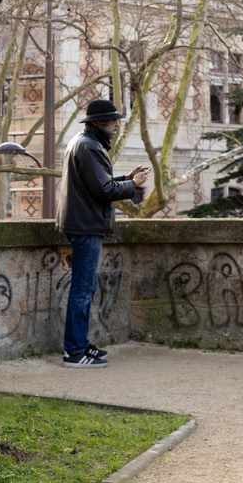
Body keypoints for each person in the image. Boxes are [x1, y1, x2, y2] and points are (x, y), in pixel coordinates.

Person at [55, 97, 149, 367]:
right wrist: (132, 184)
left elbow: (98, 183)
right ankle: (74, 352)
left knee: (85, 288)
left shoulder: (83, 143)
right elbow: (104, 191)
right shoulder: (90, 146)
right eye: (112, 121)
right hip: (86, 225)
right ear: (98, 122)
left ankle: (80, 345)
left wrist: (125, 178)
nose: (116, 126)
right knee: (83, 290)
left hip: (82, 223)